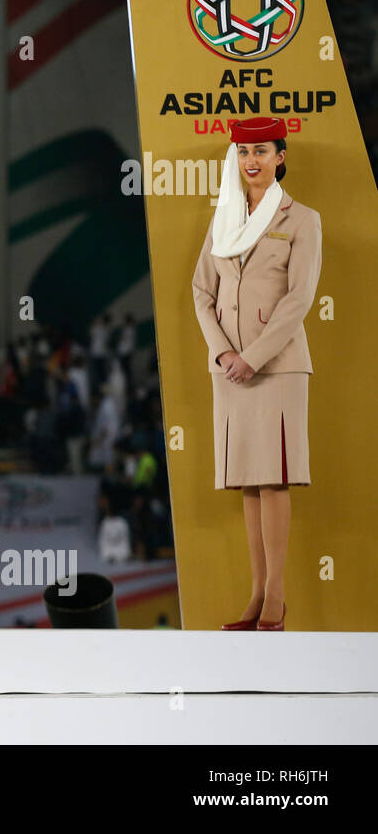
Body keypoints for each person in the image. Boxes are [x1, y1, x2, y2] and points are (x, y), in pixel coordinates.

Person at [192, 117, 322, 632]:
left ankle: (276, 598)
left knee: (274, 479)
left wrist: (254, 356)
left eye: (262, 151)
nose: (252, 161)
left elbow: (300, 299)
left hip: (278, 367)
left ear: (280, 157)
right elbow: (201, 293)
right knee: (247, 482)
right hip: (229, 370)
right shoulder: (223, 219)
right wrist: (225, 354)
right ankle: (256, 596)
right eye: (245, 151)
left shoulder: (303, 219)